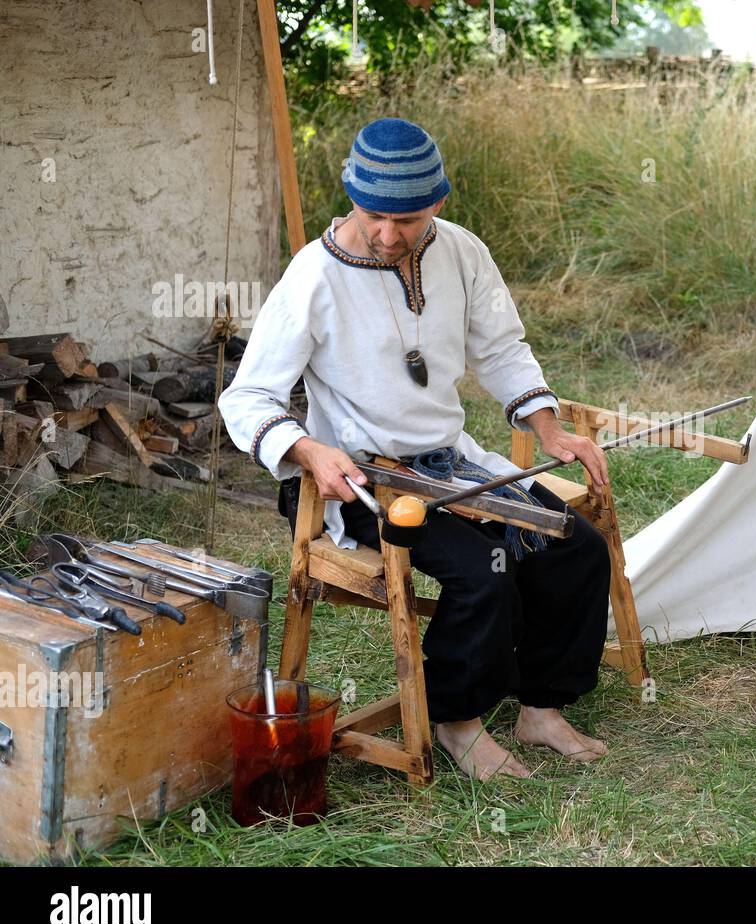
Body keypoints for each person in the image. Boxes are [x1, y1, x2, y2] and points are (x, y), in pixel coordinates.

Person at [219, 117, 612, 780]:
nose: (387, 234)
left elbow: (501, 349)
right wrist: (309, 449)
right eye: (373, 216)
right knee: (483, 564)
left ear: (438, 202)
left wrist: (549, 428)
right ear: (352, 198)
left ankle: (540, 709)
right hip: (355, 481)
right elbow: (249, 398)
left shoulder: (461, 252)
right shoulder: (312, 276)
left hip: (449, 465)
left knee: (574, 548)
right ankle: (457, 725)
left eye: (408, 219)